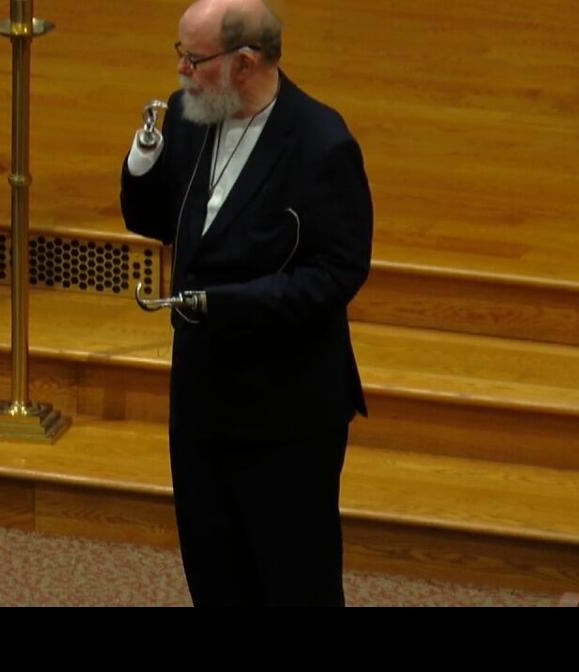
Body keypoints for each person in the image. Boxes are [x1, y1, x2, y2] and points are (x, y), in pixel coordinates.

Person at [120, 0, 373, 606]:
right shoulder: (191, 118)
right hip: (203, 399)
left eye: (194, 58)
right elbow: (152, 218)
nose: (181, 70)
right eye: (179, 53)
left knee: (293, 579)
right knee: (214, 570)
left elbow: (337, 273)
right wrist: (143, 155)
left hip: (285, 409)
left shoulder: (320, 143)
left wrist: (226, 305)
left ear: (245, 62)